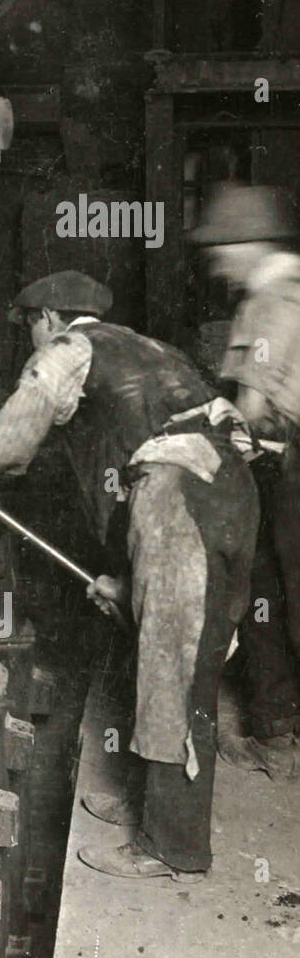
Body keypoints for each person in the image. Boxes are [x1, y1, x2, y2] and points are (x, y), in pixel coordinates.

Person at [0, 270, 258, 879]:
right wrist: (128, 582)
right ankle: (147, 804)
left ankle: (172, 845)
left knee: (173, 668)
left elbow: (12, 436)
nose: (31, 338)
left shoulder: (67, 350)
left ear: (48, 318)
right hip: (227, 493)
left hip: (180, 500)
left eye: (30, 324)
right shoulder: (146, 346)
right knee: (184, 650)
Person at [191, 182, 300, 777]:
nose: (217, 261)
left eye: (222, 249)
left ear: (248, 244)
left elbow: (252, 413)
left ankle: (274, 736)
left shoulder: (265, 303)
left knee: (258, 592)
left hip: (283, 468)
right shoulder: (294, 289)